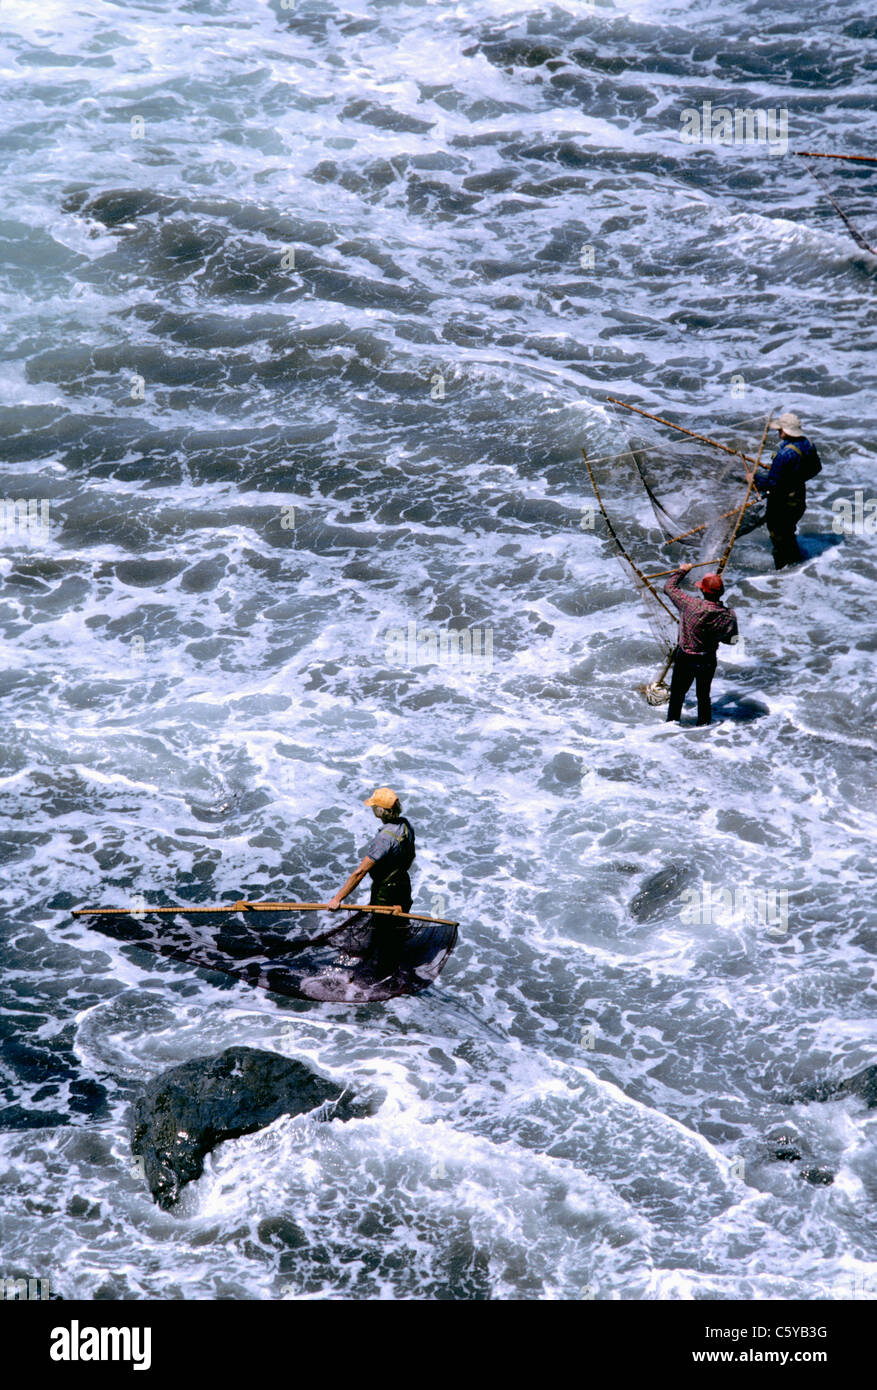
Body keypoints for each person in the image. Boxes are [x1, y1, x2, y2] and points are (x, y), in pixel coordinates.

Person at [663, 564, 738, 726]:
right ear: (721, 592)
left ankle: (671, 726)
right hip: (708, 660)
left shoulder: (690, 605)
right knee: (703, 695)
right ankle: (704, 728)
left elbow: (669, 587)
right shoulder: (729, 615)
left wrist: (683, 569)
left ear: (703, 591)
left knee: (677, 694)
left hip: (686, 658)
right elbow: (732, 640)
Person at [327, 787, 416, 914]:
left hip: (386, 893)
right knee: (399, 925)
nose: (372, 808)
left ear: (380, 811)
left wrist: (337, 899)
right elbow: (411, 855)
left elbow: (360, 872)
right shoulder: (406, 825)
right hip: (403, 886)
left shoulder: (384, 838)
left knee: (381, 928)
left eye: (374, 806)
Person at [754, 412, 822, 569]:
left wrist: (754, 479)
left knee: (779, 537)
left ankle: (784, 572)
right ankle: (796, 564)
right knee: (788, 533)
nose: (778, 432)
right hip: (798, 497)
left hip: (783, 503)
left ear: (785, 431)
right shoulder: (808, 443)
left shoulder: (784, 454)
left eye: (779, 430)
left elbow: (771, 484)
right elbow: (817, 468)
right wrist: (795, 478)